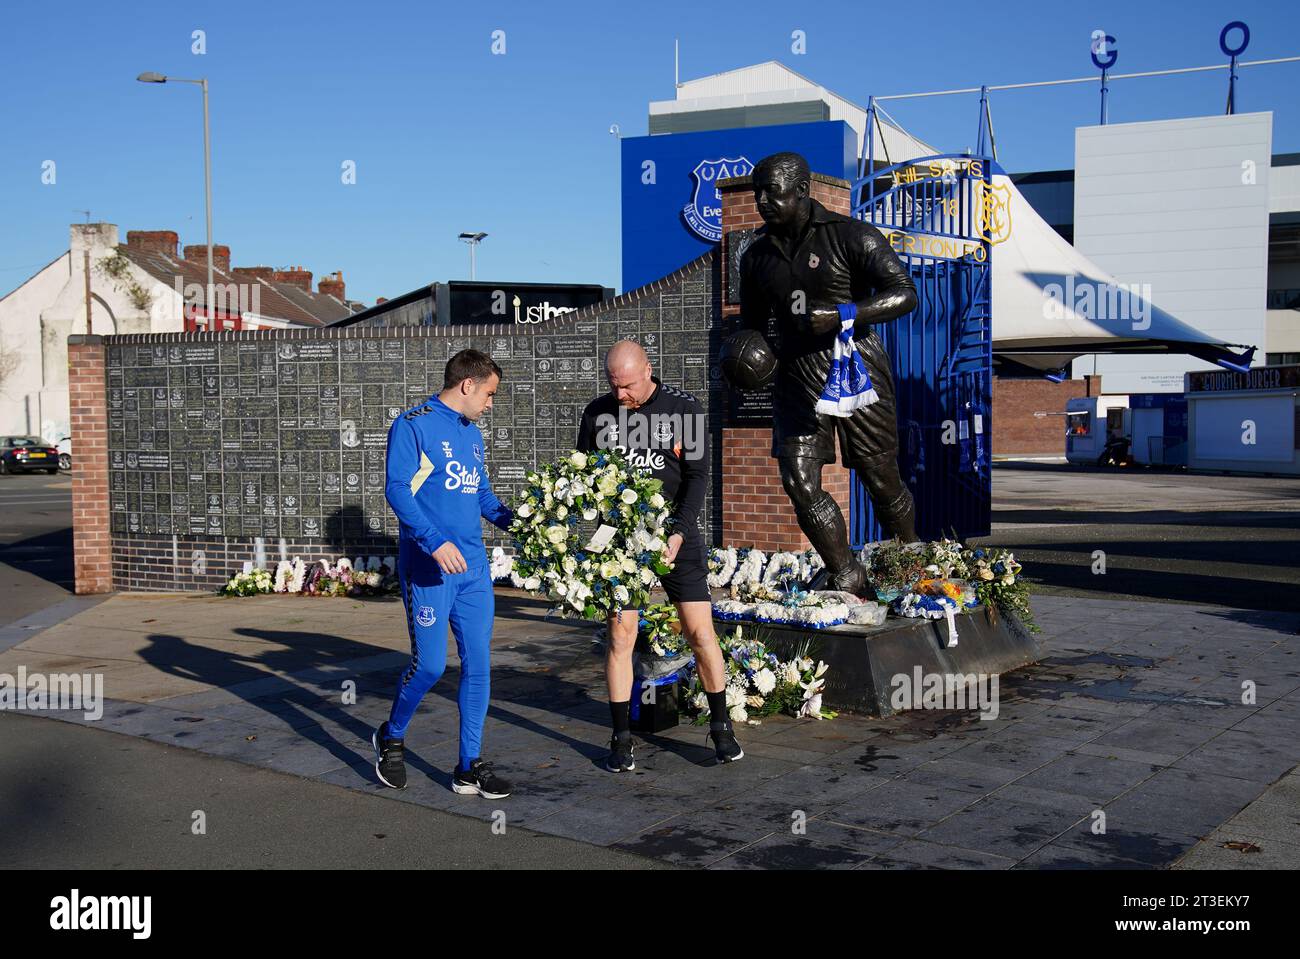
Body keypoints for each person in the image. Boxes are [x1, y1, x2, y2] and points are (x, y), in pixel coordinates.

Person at [736, 151, 919, 596]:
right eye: (757, 192)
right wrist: (746, 354)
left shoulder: (851, 236)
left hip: (856, 366)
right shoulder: (756, 255)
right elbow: (753, 325)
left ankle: (915, 562)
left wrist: (844, 314)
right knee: (797, 480)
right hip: (797, 376)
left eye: (771, 192)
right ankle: (847, 573)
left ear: (802, 191)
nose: (761, 201)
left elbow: (905, 294)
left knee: (879, 476)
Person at [576, 340, 743, 772]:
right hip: (620, 545)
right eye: (613, 386)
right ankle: (621, 738)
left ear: (649, 370)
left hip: (677, 539)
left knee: (700, 634)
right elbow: (583, 475)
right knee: (620, 637)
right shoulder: (597, 414)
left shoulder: (683, 410)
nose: (620, 396)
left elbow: (698, 476)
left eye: (627, 386)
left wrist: (677, 533)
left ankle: (721, 728)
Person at [372, 349, 514, 798]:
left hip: (473, 570)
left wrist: (525, 523)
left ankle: (468, 765)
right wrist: (434, 541)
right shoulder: (412, 424)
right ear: (467, 385)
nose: (491, 404)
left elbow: (484, 499)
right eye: (489, 394)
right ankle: (391, 736)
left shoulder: (473, 436)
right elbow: (397, 489)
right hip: (429, 569)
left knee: (478, 664)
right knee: (430, 665)